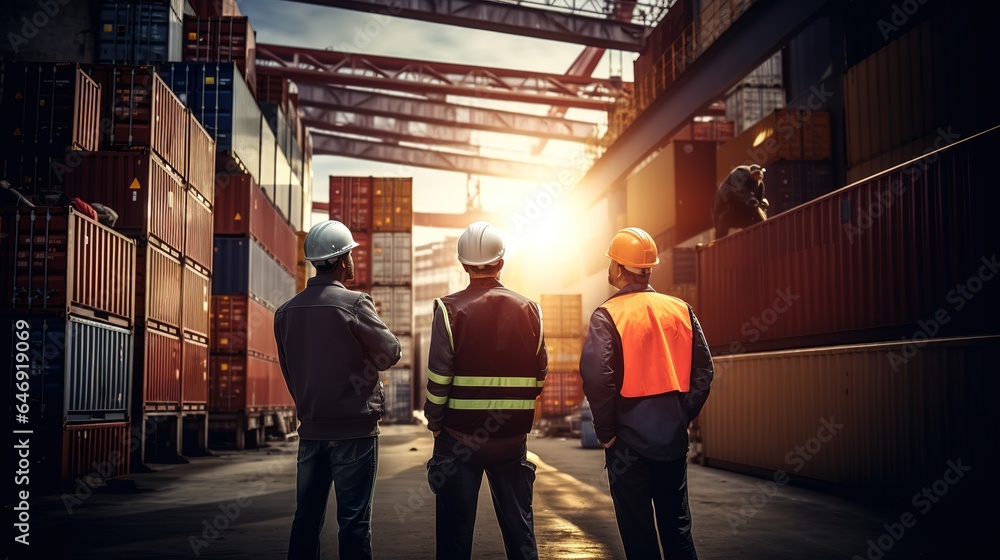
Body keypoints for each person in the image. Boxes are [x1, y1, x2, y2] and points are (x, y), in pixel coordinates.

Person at [579, 227, 714, 559]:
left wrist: (607, 432)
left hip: (626, 442)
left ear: (621, 269)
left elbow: (599, 379)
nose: (610, 267)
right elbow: (704, 372)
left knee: (639, 535)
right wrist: (680, 415)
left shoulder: (607, 315)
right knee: (678, 529)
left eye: (612, 261)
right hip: (671, 440)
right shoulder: (681, 310)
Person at [274, 219, 401, 560]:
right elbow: (391, 352)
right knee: (354, 523)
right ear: (343, 261)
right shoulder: (355, 304)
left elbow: (290, 372)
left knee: (306, 519)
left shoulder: (285, 313)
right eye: (351, 256)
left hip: (312, 431)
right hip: (355, 432)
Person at [423, 221, 548, 560]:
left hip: (459, 438)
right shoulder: (530, 309)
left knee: (454, 536)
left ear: (463, 264)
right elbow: (540, 375)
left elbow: (439, 378)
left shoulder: (448, 310)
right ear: (501, 262)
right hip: (511, 438)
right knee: (520, 532)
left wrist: (435, 421)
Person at [711, 163, 769, 238]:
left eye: (760, 175)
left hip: (740, 208)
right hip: (725, 205)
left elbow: (758, 203)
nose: (758, 177)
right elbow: (740, 190)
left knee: (754, 219)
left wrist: (761, 205)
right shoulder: (739, 173)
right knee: (723, 223)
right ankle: (719, 244)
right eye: (756, 174)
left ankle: (758, 238)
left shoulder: (760, 185)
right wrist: (754, 203)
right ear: (750, 174)